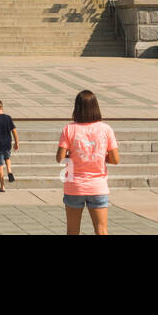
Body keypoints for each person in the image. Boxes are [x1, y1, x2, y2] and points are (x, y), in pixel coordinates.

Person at [57, 89, 119, 235]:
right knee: (101, 230)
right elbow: (115, 159)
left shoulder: (69, 129)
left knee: (72, 230)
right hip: (98, 186)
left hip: (74, 186)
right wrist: (100, 157)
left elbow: (60, 157)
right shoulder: (106, 129)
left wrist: (73, 154)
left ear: (76, 107)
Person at [0, 99, 19, 192]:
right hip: (7, 143)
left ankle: (2, 186)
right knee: (7, 158)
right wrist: (16, 141)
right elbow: (13, 130)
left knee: (0, 165)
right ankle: (9, 171)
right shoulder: (8, 118)